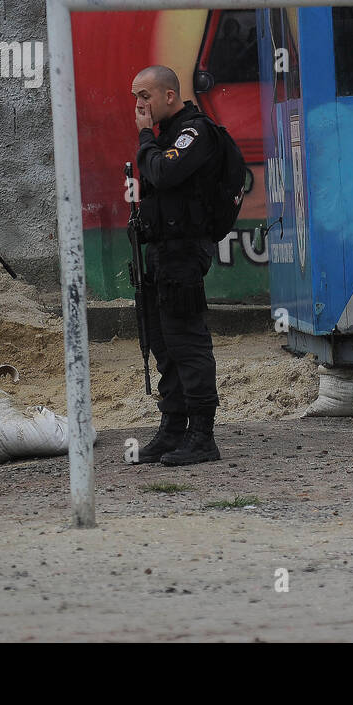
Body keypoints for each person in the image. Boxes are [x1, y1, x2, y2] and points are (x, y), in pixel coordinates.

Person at [130, 65, 223, 466]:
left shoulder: (194, 132)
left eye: (145, 96)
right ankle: (172, 428)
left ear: (170, 95)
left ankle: (202, 435)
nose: (139, 105)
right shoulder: (166, 137)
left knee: (186, 340)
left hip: (183, 255)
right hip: (160, 254)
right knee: (163, 342)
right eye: (135, 97)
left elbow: (163, 172)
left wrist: (145, 138)